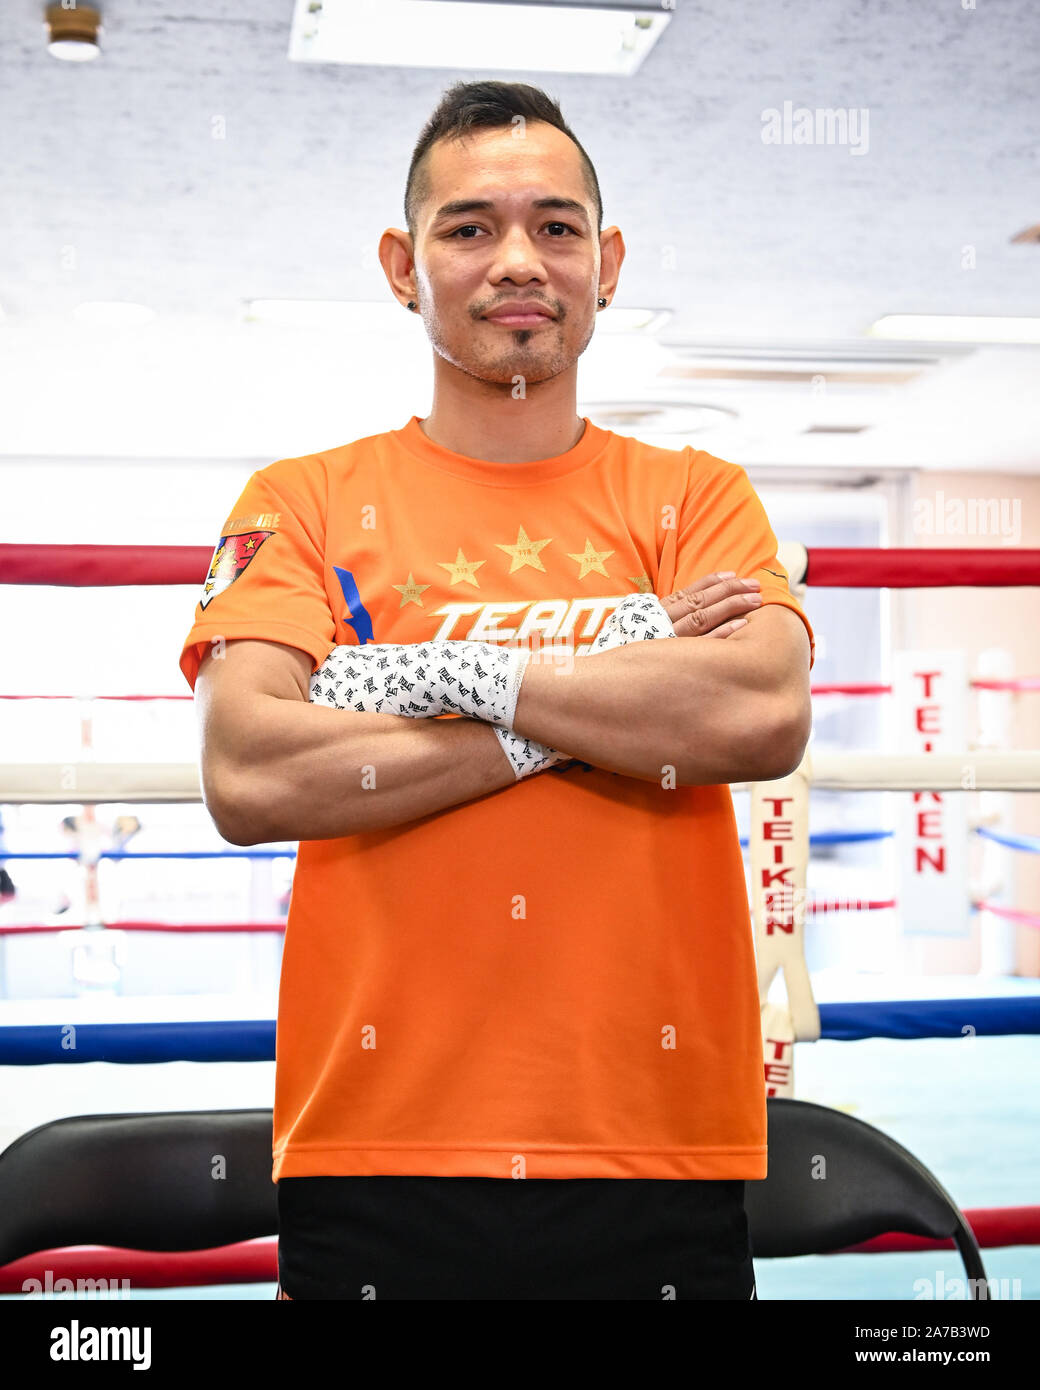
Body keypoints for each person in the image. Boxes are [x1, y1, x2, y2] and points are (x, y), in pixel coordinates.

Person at [179, 80, 815, 1300]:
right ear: (402, 264)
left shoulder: (697, 494)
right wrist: (607, 695)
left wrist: (428, 678)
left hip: (656, 1139)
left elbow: (753, 716)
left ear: (606, 261)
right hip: (376, 1139)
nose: (516, 260)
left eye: (555, 226)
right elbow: (252, 771)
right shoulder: (300, 500)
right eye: (468, 227)